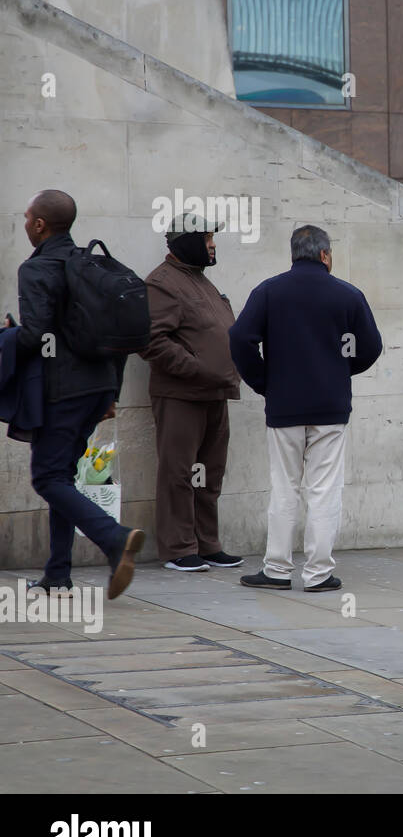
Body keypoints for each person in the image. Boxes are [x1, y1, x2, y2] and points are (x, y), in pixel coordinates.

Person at [229, 225, 382, 592]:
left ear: (293, 253)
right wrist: (341, 370)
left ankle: (277, 570)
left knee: (285, 488)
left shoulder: (269, 291)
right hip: (331, 408)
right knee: (324, 490)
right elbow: (371, 346)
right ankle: (318, 573)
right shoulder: (348, 294)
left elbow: (239, 338)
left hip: (284, 406)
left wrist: (264, 382)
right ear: (325, 255)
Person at [14, 189, 145, 598]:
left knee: (48, 477)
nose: (24, 224)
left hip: (62, 390)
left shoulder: (36, 270)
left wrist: (9, 335)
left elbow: (35, 335)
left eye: (27, 218)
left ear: (39, 224)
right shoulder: (91, 264)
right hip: (98, 386)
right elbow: (119, 335)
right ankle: (57, 574)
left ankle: (114, 538)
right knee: (63, 476)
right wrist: (112, 394)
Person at [140, 214, 243, 573]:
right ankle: (179, 548)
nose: (213, 244)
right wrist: (197, 368)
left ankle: (207, 544)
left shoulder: (201, 281)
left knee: (208, 473)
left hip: (216, 393)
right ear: (187, 241)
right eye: (208, 238)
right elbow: (151, 341)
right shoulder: (162, 283)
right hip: (182, 395)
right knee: (179, 472)